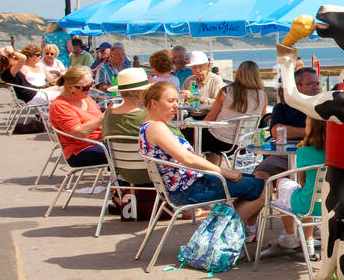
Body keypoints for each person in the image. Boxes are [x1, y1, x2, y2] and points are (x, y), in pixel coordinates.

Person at [138, 82, 266, 235]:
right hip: (189, 189)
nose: (176, 106)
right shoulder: (156, 127)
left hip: (187, 186)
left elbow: (188, 158)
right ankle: (216, 235)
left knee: (255, 182)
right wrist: (225, 172)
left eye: (176, 101)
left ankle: (239, 231)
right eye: (170, 101)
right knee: (263, 186)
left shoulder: (152, 126)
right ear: (154, 103)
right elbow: (188, 159)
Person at [267, 116, 328, 252]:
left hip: (306, 204)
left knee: (282, 182)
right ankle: (308, 242)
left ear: (312, 128)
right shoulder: (335, 152)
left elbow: (302, 182)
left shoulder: (303, 151)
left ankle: (290, 236)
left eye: (306, 123)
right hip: (329, 204)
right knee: (309, 193)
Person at [253, 67, 321, 177]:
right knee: (260, 175)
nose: (316, 87)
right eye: (310, 84)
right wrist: (311, 131)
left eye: (318, 83)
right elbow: (277, 132)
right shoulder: (283, 108)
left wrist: (292, 131)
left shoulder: (324, 107)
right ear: (297, 87)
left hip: (315, 154)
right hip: (284, 155)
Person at [200, 60, 268, 156]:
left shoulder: (226, 91)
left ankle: (204, 167)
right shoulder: (262, 95)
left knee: (192, 135)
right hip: (245, 143)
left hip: (221, 141)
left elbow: (212, 116)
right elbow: (260, 117)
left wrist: (197, 127)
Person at [100, 67, 151, 187]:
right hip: (150, 174)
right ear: (141, 93)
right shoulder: (147, 116)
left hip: (122, 174)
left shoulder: (108, 115)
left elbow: (104, 141)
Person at [47, 67, 107, 168]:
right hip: (80, 150)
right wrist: (105, 116)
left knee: (133, 146)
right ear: (70, 87)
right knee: (126, 152)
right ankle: (125, 181)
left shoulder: (85, 98)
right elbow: (78, 132)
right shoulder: (60, 105)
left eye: (91, 85)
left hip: (99, 142)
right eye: (85, 87)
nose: (89, 89)